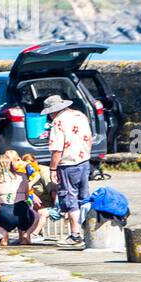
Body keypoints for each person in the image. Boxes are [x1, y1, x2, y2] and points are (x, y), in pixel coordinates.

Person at [45, 94, 93, 251]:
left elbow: (57, 150)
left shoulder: (57, 122)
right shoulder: (80, 115)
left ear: (53, 111)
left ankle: (75, 235)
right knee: (84, 198)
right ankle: (88, 233)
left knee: (70, 198)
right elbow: (89, 138)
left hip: (68, 164)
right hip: (84, 161)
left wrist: (53, 169)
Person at [0, 152, 41, 246]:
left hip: (6, 216)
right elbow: (26, 196)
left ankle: (4, 234)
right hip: (23, 213)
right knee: (36, 215)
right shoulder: (22, 176)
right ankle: (26, 234)